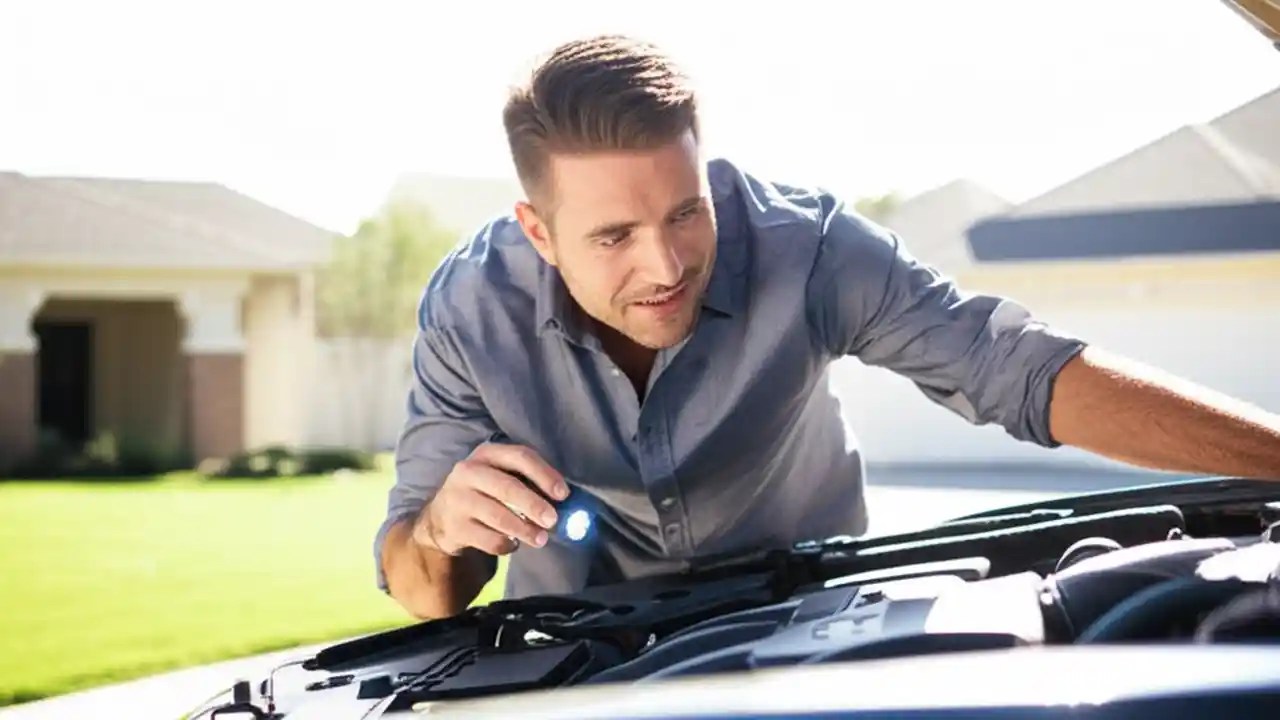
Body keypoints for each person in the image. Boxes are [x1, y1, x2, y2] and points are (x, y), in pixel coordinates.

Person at [375, 35, 1280, 620]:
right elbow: (421, 586)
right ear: (538, 231)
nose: (666, 265)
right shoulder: (470, 311)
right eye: (613, 235)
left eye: (687, 213)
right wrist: (442, 532)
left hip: (815, 631)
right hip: (591, 665)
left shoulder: (802, 247)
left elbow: (1019, 372)